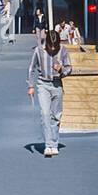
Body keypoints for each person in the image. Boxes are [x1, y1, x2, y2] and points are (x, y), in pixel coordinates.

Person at [28, 28, 73, 157]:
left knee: (56, 115)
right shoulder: (39, 51)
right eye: (50, 46)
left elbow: (69, 68)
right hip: (43, 84)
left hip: (57, 84)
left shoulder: (63, 50)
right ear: (46, 43)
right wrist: (31, 85)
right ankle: (48, 145)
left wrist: (61, 70)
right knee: (45, 114)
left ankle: (54, 143)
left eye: (55, 46)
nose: (53, 48)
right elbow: (32, 69)